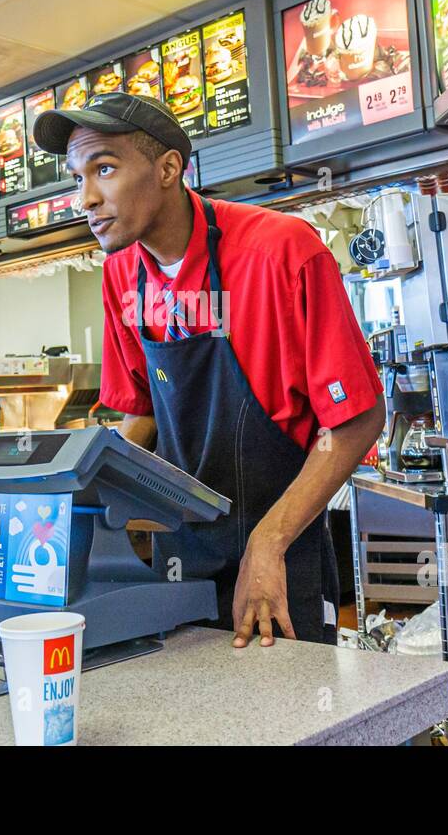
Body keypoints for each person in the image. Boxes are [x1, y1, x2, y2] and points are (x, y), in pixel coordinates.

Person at [33, 93, 384, 647]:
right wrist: (79, 494)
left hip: (281, 547)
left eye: (104, 169)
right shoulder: (121, 273)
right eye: (78, 177)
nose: (86, 198)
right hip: (182, 551)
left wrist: (267, 543)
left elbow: (357, 421)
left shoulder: (282, 251)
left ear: (168, 168)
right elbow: (142, 412)